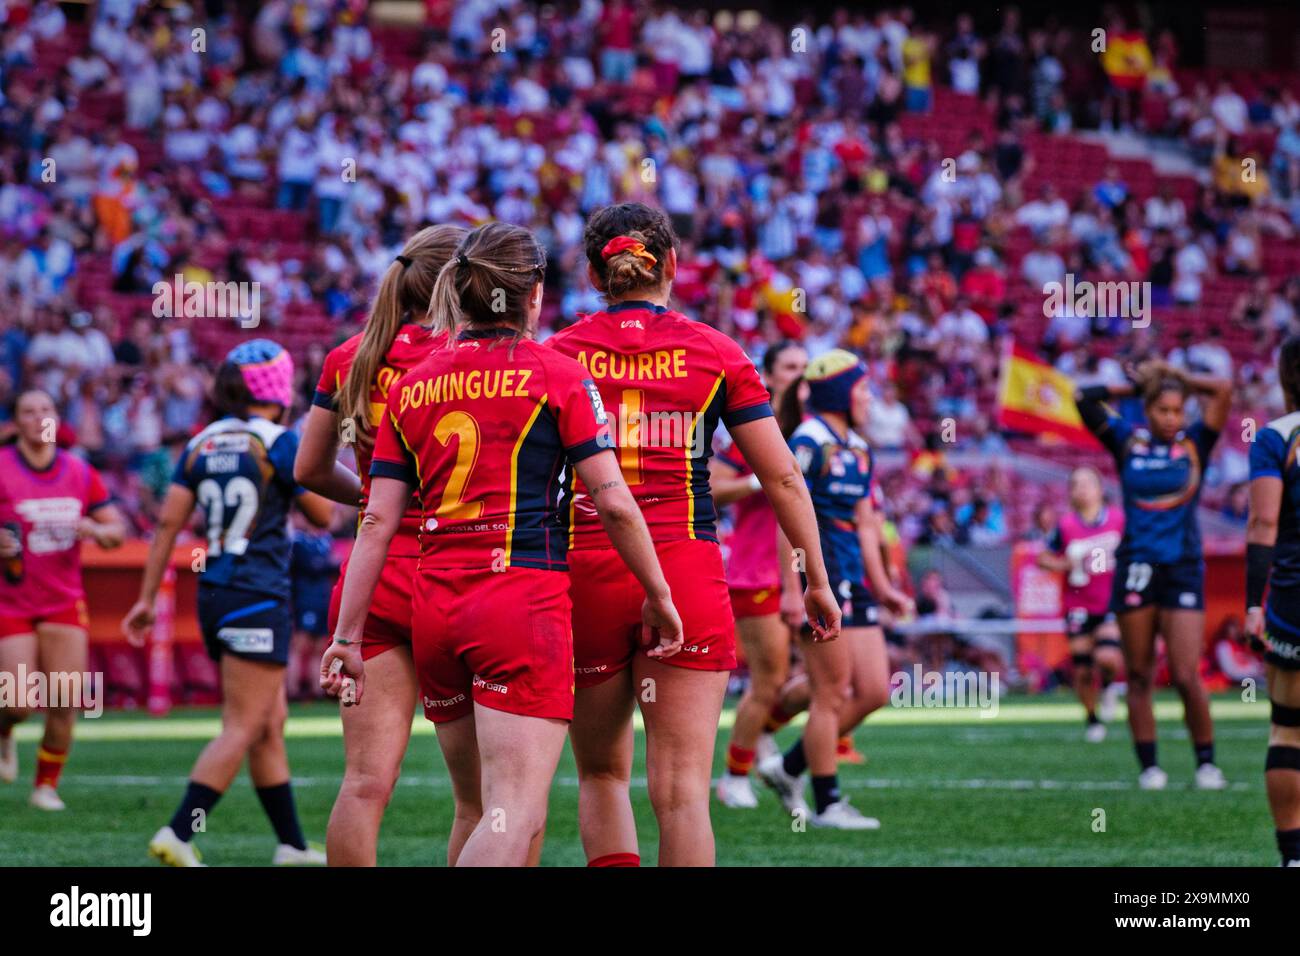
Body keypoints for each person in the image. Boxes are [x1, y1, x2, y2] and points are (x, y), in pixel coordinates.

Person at [321, 222, 684, 867]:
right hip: (519, 599)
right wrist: (658, 592)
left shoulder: (411, 385)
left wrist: (346, 637)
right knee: (513, 813)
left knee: (476, 807)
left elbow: (375, 521)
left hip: (434, 606)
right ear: (535, 294)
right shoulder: (559, 375)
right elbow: (613, 501)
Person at [546, 202, 840, 866]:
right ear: (672, 266)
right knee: (681, 794)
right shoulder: (716, 351)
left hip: (586, 569)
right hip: (686, 568)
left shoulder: (556, 353)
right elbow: (785, 479)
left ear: (595, 276)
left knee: (601, 777)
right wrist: (817, 580)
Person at [123, 340, 334, 866]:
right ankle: (179, 831)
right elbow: (323, 515)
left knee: (267, 723)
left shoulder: (200, 443)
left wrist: (147, 599)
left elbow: (167, 526)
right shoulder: (279, 442)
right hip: (257, 593)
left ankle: (289, 845)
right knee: (242, 726)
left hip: (214, 594)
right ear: (278, 388)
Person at [294, 223, 465, 866]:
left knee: (364, 784)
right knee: (482, 799)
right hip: (460, 568)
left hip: (374, 578)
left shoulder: (350, 356)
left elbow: (309, 469)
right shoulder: (476, 354)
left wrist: (375, 503)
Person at [756, 350, 913, 829]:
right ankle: (827, 804)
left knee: (873, 691)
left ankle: (787, 767)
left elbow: (866, 525)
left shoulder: (859, 447)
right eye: (863, 389)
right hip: (818, 582)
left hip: (853, 583)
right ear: (841, 392)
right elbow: (788, 520)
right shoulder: (809, 440)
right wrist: (790, 589)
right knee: (832, 694)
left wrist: (883, 587)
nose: (870, 398)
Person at [1074, 358, 1231, 790]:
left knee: (1184, 673)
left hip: (1182, 566)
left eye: (1178, 410)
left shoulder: (1196, 443)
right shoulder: (1128, 443)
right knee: (1139, 673)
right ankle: (1149, 767)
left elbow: (1221, 390)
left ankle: (1206, 763)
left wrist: (1177, 377)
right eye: (1162, 409)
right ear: (1148, 411)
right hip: (1136, 567)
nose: (1170, 418)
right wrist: (1137, 387)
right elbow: (1083, 398)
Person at [0, 390, 126, 810]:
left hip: (63, 599)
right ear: (15, 422)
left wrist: (95, 529)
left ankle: (45, 786)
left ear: (56, 418)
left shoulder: (78, 471)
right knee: (17, 703)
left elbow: (116, 532)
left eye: (45, 410)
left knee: (63, 698)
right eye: (27, 411)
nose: (38, 418)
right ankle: (4, 731)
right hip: (10, 600)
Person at [713, 339, 807, 809]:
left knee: (826, 683)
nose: (800, 375)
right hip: (758, 571)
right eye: (790, 366)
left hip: (805, 573)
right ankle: (734, 775)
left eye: (805, 367)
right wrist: (759, 479)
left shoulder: (811, 432)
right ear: (768, 376)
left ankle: (763, 747)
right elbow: (710, 486)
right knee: (769, 679)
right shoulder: (754, 432)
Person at [1245, 334, 1300, 867]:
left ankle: (1293, 856)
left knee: (1288, 725)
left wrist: (1251, 603)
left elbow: (1263, 522)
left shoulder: (1275, 438)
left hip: (1293, 598)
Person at [1036, 466, 1126, 742]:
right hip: (1077, 604)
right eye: (1075, 484)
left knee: (1108, 658)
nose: (1081, 489)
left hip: (1109, 601)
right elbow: (1043, 557)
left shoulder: (1118, 520)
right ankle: (1092, 718)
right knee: (1083, 667)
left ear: (1100, 489)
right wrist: (1064, 563)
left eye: (1087, 483)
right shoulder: (1065, 527)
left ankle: (1109, 686)